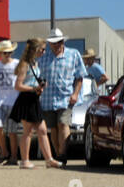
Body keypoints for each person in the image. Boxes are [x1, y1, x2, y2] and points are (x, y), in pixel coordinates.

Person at [35, 28, 87, 165]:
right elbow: (36, 76)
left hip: (66, 97)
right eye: (53, 43)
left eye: (58, 42)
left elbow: (80, 77)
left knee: (63, 123)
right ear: (49, 44)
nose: (56, 45)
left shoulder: (73, 54)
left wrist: (75, 93)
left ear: (63, 41)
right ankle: (57, 154)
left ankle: (63, 155)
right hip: (47, 98)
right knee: (53, 127)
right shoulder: (43, 58)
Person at [11, 38, 60, 168]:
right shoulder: (25, 64)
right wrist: (35, 88)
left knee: (42, 130)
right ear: (35, 50)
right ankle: (25, 161)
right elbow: (18, 85)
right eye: (42, 49)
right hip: (26, 99)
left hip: (33, 98)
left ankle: (49, 159)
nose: (44, 52)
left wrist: (39, 87)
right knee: (28, 131)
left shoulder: (34, 63)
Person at [0, 40, 20, 164]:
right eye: (4, 52)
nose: (7, 54)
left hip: (14, 101)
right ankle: (4, 152)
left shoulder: (17, 64)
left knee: (12, 131)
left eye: (9, 52)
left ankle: (14, 157)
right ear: (0, 53)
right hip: (0, 101)